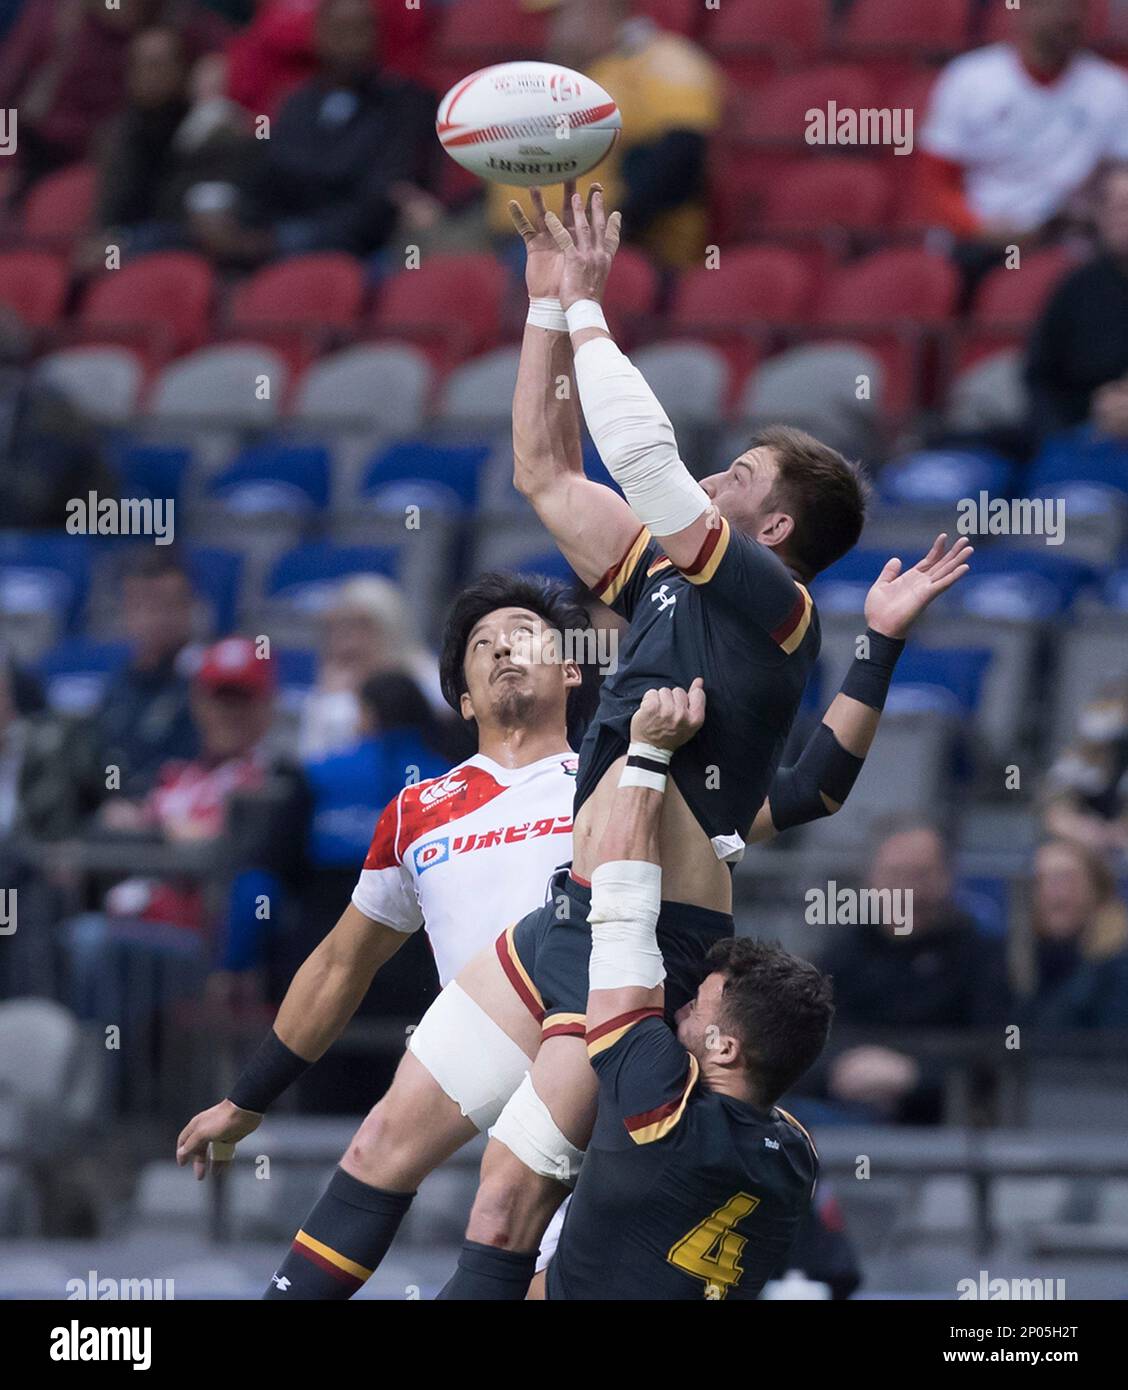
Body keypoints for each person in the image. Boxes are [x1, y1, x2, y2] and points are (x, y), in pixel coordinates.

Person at [429, 183, 971, 1300]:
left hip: (654, 935)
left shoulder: (773, 606)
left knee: (513, 1203)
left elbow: (648, 462)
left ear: (771, 531)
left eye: (743, 481)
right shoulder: (676, 586)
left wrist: (588, 307)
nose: (718, 483)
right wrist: (541, 310)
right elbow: (545, 470)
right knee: (484, 1192)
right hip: (596, 903)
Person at [522, 681, 830, 1301]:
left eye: (700, 1006)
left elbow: (620, 917)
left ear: (726, 1050)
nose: (680, 1004)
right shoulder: (796, 1155)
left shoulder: (659, 1109)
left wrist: (647, 754)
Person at [190, 0, 438, 265]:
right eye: (338, 30)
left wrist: (270, 241)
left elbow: (382, 199)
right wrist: (227, 211)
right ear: (318, 35)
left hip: (354, 246)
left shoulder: (407, 102)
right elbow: (268, 174)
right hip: (279, 231)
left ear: (378, 36)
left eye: (360, 30)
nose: (349, 42)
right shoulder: (296, 102)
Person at [485, 0, 723, 268]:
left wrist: (614, 222)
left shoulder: (661, 60)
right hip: (512, 238)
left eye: (558, 18)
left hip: (608, 247)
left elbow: (682, 157)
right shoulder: (566, 74)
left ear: (598, 7)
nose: (551, 33)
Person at [814, 821, 1012, 1125]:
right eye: (894, 875)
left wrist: (915, 1073)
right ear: (871, 880)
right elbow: (798, 1038)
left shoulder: (979, 953)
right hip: (838, 1116)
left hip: (941, 1126)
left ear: (947, 879)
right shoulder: (842, 950)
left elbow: (996, 1048)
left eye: (921, 875)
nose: (906, 890)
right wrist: (838, 1068)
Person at [917, 0, 1128, 251]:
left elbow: (1120, 179)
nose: (1064, 16)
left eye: (1075, 7)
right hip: (978, 238)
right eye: (1051, 6)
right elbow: (934, 182)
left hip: (1069, 242)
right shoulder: (969, 78)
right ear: (1022, 10)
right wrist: (978, 227)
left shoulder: (1113, 88)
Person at [85, 26, 255, 262]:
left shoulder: (213, 130)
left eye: (159, 65)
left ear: (184, 71)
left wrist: (124, 244)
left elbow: (205, 223)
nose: (151, 75)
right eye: (142, 66)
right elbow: (108, 213)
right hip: (125, 249)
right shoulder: (117, 135)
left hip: (185, 249)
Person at [1025, 161, 1128, 440]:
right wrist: (1062, 436)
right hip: (1080, 437)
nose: (1120, 215)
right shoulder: (1075, 287)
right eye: (1111, 205)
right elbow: (1042, 376)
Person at [297, 575, 446, 762]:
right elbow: (314, 762)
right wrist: (331, 700)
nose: (349, 641)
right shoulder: (331, 693)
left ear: (391, 627)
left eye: (362, 627)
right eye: (339, 628)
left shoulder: (429, 678)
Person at [1021, 838, 1128, 1030]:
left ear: (1096, 889)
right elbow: (1009, 1038)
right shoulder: (1017, 964)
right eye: (1041, 879)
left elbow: (1112, 1048)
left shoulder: (1118, 966)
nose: (1051, 889)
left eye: (1064, 877)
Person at [1042, 675, 1128, 856]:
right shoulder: (1074, 763)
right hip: (1088, 852)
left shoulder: (1120, 754)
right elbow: (1055, 814)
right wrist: (1085, 830)